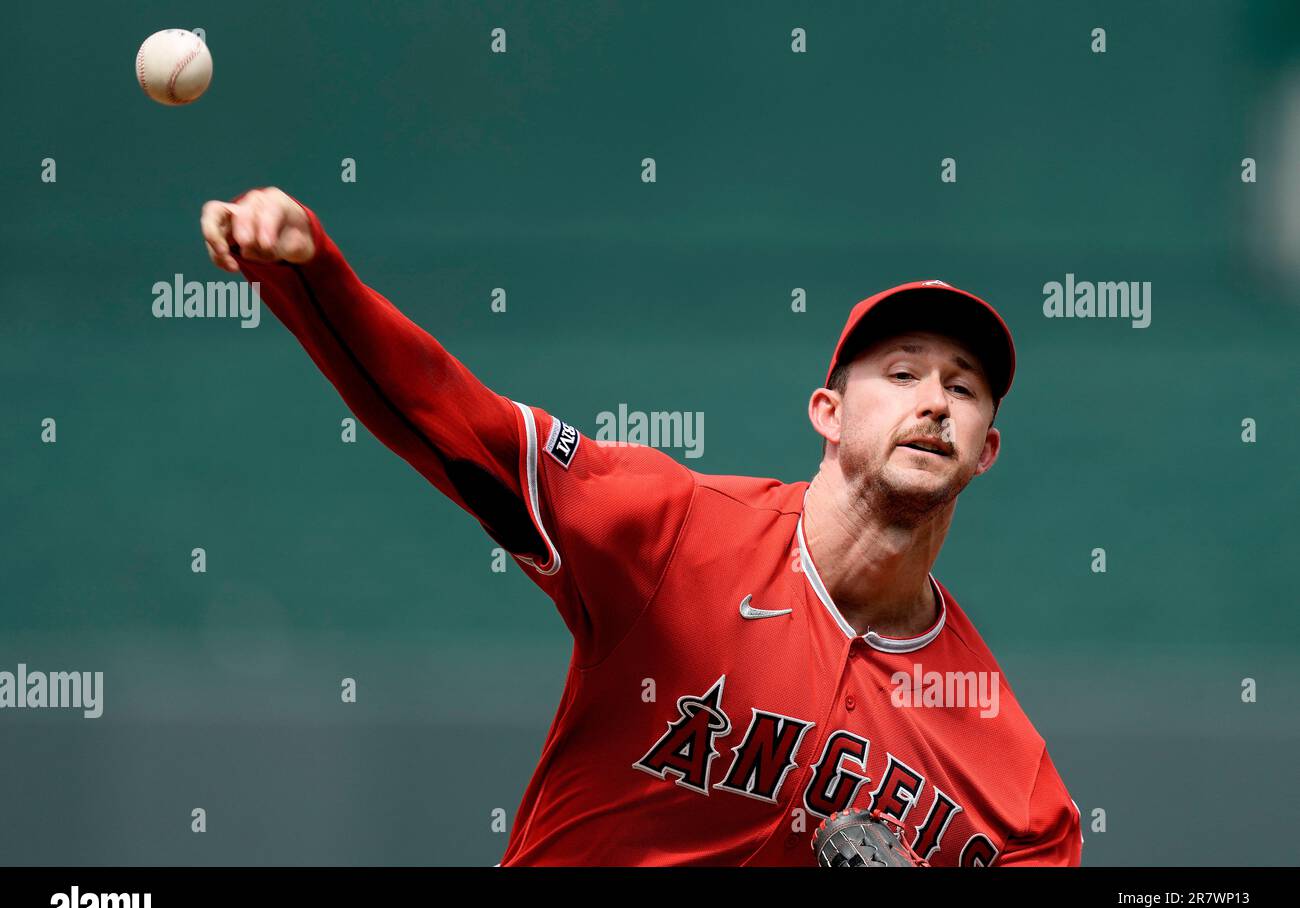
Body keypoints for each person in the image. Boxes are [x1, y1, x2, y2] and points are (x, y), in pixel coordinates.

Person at [200, 187, 1083, 866]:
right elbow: (457, 422)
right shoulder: (674, 533)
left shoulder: (1012, 778)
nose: (933, 401)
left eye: (962, 389)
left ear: (986, 451)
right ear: (826, 410)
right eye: (901, 373)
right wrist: (311, 273)